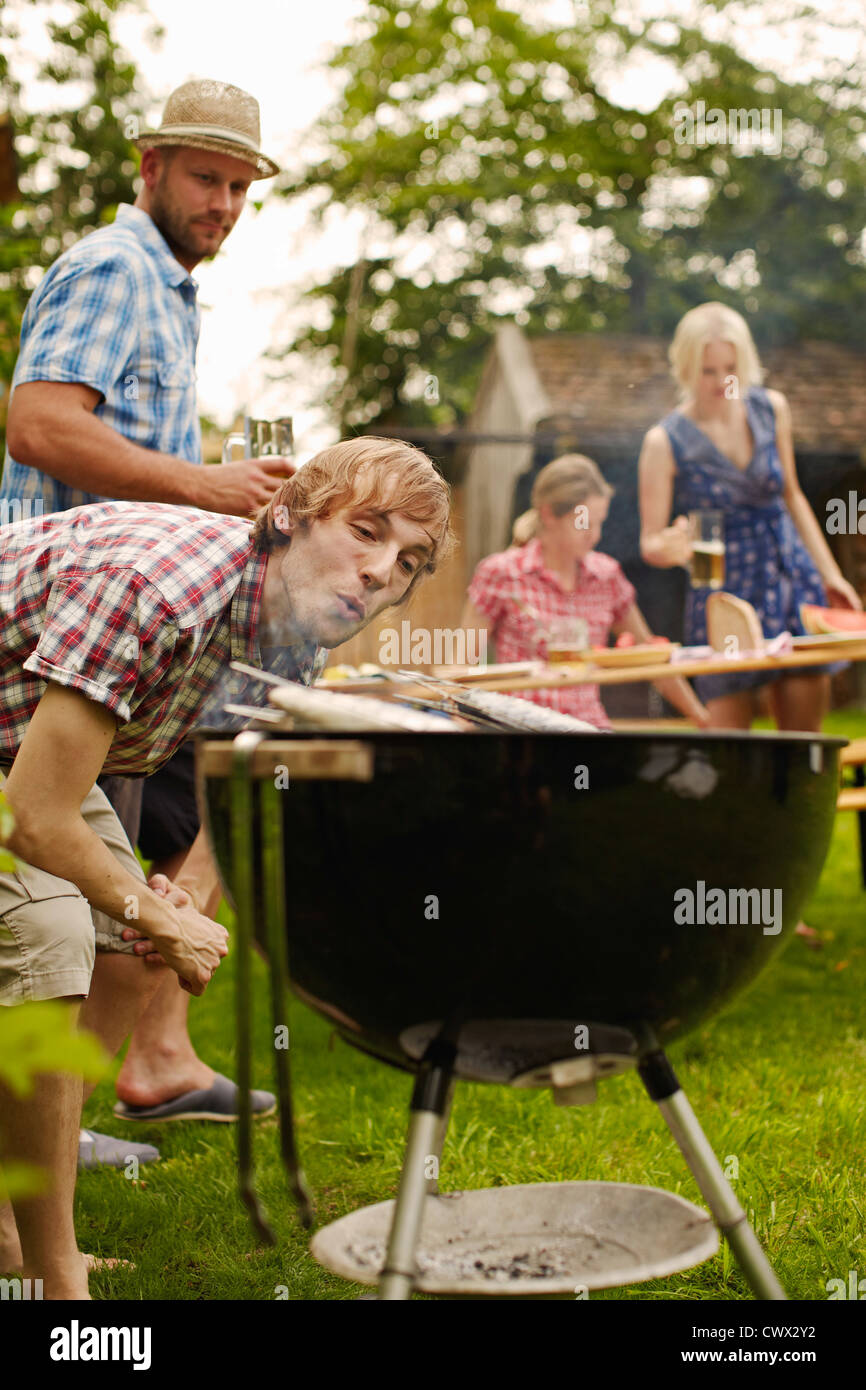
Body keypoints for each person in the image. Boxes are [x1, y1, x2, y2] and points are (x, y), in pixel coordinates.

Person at [0, 435, 453, 1298]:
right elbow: (34, 816)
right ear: (287, 517)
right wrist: (155, 910)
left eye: (407, 562)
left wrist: (182, 906)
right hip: (23, 765)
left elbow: (237, 774)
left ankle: (5, 1215)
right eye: (365, 532)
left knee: (128, 956)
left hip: (20, 741)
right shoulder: (159, 588)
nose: (379, 573)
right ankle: (52, 1281)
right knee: (51, 933)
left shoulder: (293, 629)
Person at [1, 79, 294, 1158]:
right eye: (205, 176)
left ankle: (122, 1087)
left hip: (141, 640)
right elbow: (35, 425)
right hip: (69, 639)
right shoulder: (112, 264)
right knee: (77, 911)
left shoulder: (171, 288)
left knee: (148, 881)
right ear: (151, 165)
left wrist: (210, 486)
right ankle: (48, 1144)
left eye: (238, 185)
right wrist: (206, 485)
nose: (222, 201)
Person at [638, 301, 861, 732]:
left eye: (731, 367)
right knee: (730, 754)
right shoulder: (663, 441)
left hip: (787, 575)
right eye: (708, 371)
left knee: (801, 746)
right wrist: (670, 547)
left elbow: (792, 496)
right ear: (685, 368)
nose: (722, 381)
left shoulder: (771, 409)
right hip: (719, 591)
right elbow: (651, 541)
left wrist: (830, 575)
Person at [461, 454, 710, 729]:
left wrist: (703, 718)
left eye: (599, 522)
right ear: (548, 514)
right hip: (520, 732)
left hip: (587, 730)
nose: (595, 535)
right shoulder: (501, 573)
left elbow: (652, 661)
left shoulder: (606, 576)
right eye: (585, 523)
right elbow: (459, 667)